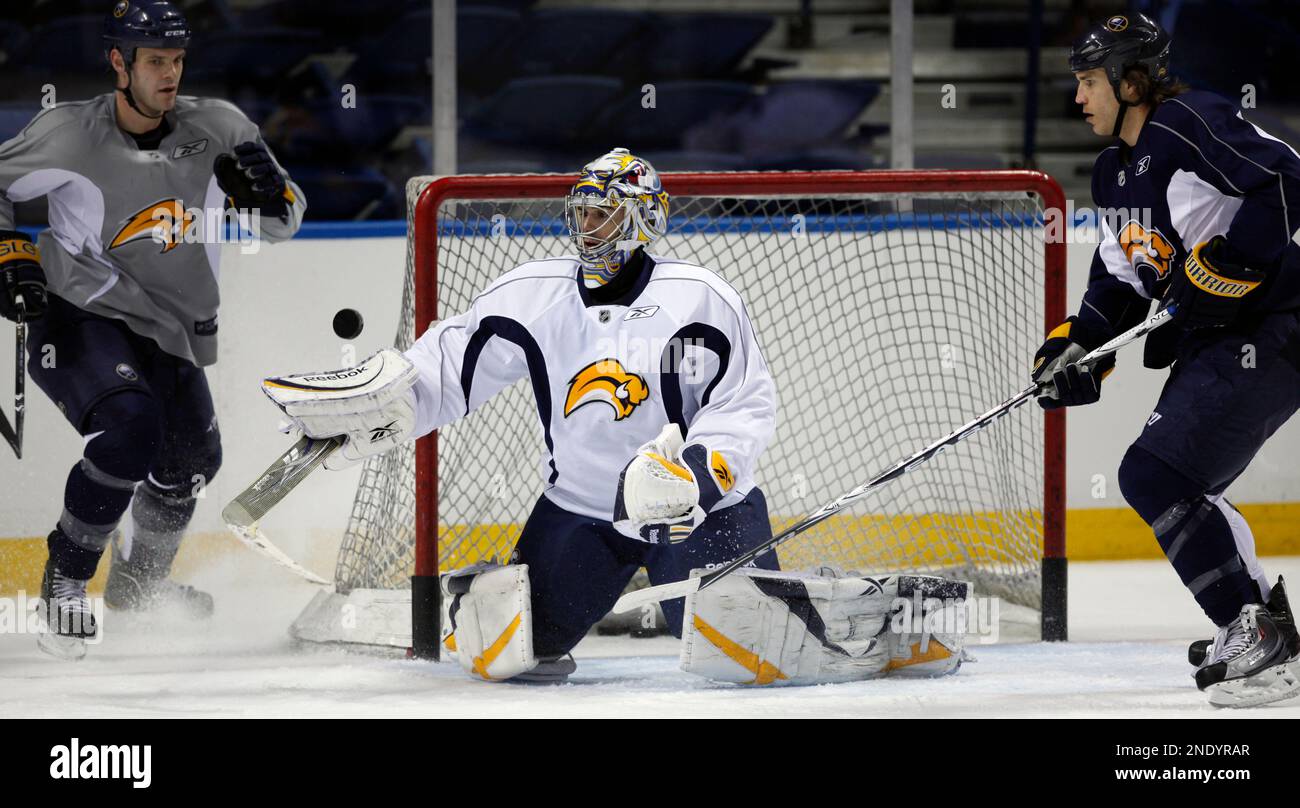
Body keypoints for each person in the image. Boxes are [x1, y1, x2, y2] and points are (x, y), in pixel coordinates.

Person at [262, 148, 963, 683]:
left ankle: (888, 616)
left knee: (750, 650)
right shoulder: (532, 294)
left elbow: (744, 401)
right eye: (581, 213)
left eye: (603, 213)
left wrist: (699, 474)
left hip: (696, 514)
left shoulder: (701, 298)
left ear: (644, 218)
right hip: (580, 513)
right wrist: (381, 407)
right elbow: (449, 369)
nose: (587, 227)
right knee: (510, 653)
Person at [0, 1, 306, 659]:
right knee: (128, 431)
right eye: (155, 61)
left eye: (177, 60)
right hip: (78, 308)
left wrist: (268, 197)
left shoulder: (220, 126)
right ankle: (67, 579)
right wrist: (10, 251)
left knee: (191, 462)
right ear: (119, 62)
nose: (169, 74)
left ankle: (136, 589)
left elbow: (285, 223)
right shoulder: (69, 135)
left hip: (171, 330)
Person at [1034, 12, 1300, 706]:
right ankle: (1258, 621)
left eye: (1090, 81)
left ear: (1132, 80)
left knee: (1157, 475)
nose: (1079, 97)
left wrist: (1234, 261)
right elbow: (1120, 278)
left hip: (1275, 326)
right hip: (1223, 339)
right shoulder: (1112, 173)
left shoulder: (1187, 123)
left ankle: (1258, 638)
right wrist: (1078, 344)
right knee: (1179, 482)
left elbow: (1285, 179)